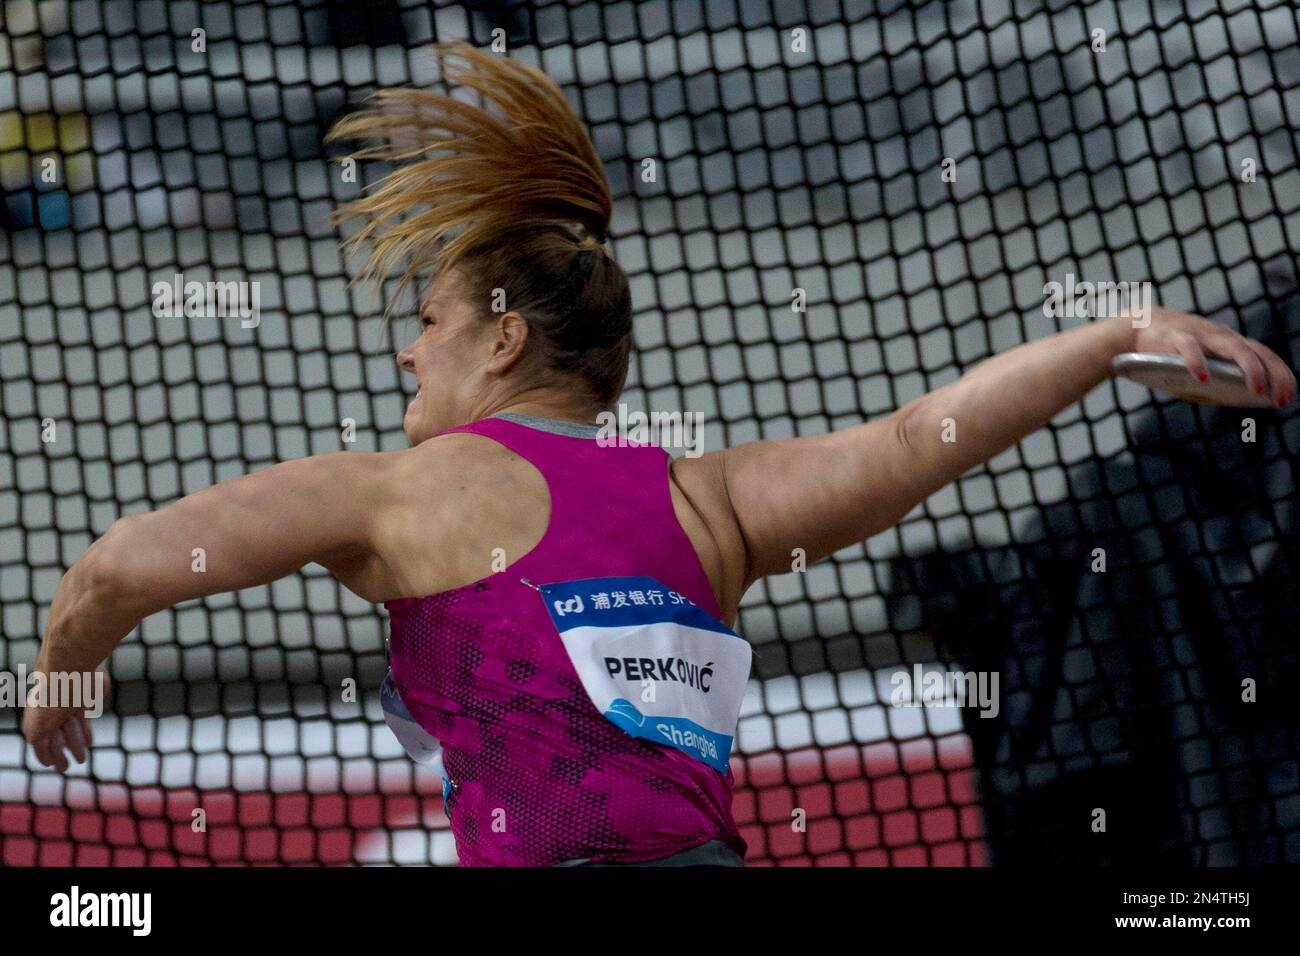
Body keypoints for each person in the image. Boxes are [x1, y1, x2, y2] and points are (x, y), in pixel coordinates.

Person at [23, 42, 1296, 866]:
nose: (406, 356)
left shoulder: (395, 491)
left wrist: (66, 672)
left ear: (504, 338)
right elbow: (924, 435)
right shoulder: (709, 498)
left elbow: (124, 563)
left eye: (426, 323)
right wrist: (1111, 336)